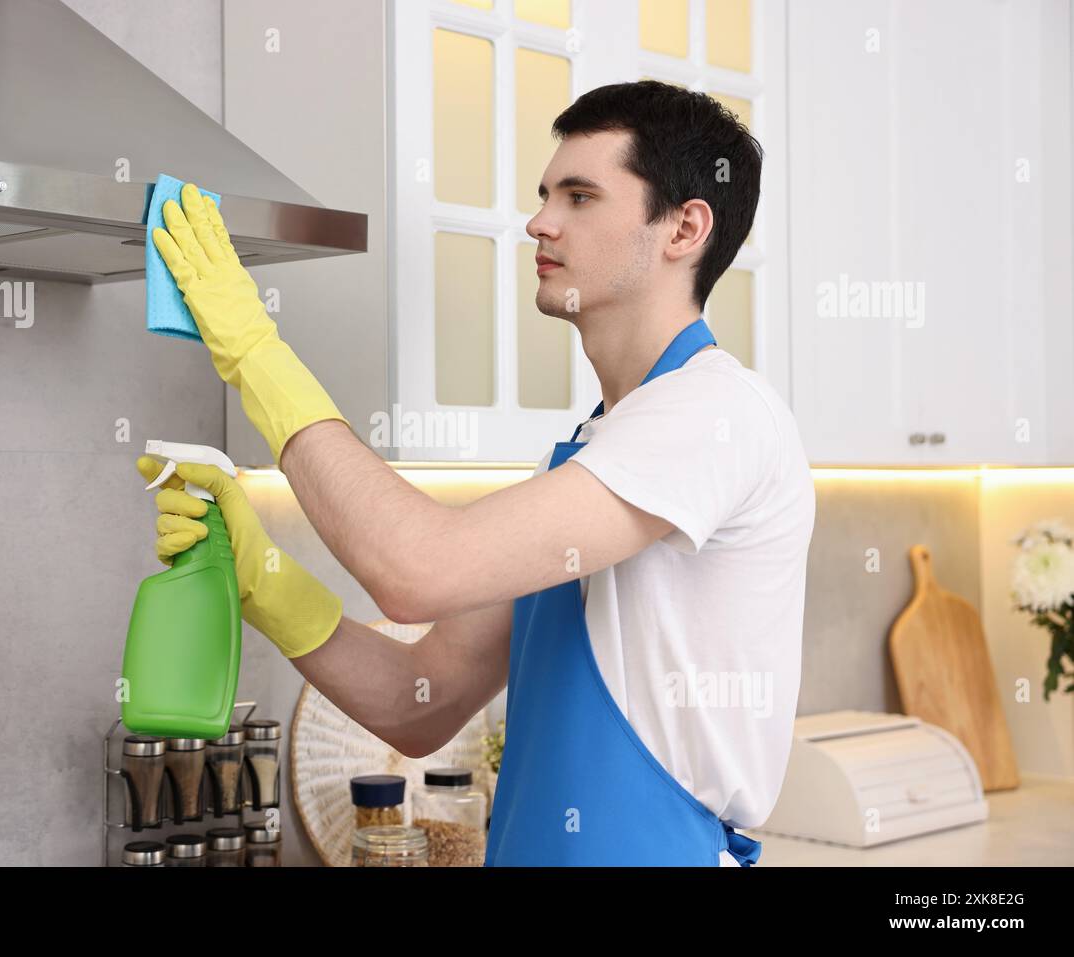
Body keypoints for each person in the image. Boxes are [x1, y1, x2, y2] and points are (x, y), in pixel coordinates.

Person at [141, 79, 815, 866]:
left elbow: (418, 567)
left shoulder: (715, 414)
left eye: (580, 195)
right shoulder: (594, 454)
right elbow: (420, 698)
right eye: (544, 194)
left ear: (683, 228)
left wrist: (255, 352)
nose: (539, 221)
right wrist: (263, 579)